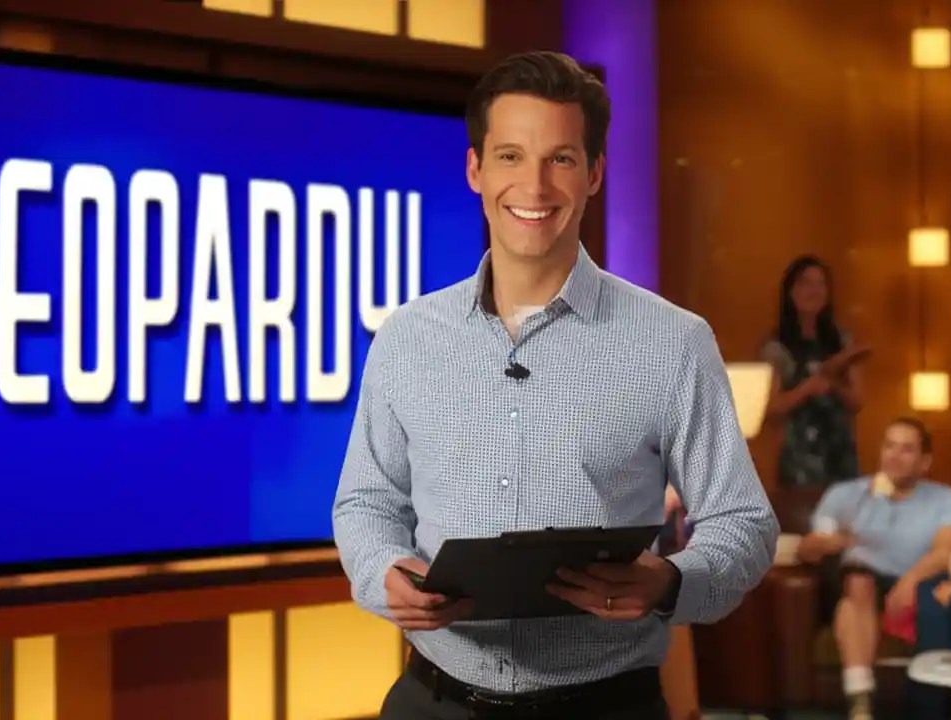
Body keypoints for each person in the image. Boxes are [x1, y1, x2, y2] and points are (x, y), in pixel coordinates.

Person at [332, 50, 778, 719]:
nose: (534, 187)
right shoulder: (407, 336)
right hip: (433, 700)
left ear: (594, 173)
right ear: (475, 170)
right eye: (510, 156)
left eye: (560, 159)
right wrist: (383, 574)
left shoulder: (673, 341)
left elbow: (743, 523)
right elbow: (366, 503)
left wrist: (669, 583)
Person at [797, 417, 951, 720]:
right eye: (889, 445)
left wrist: (911, 581)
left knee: (873, 585)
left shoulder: (945, 499)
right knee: (859, 579)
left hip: (915, 579)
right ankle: (860, 702)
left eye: (906, 449)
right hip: (856, 579)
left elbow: (947, 549)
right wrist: (829, 542)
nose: (894, 455)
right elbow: (807, 549)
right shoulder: (846, 495)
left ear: (924, 462)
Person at [761, 255, 867, 487]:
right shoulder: (776, 348)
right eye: (805, 283)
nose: (814, 291)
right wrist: (808, 388)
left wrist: (834, 382)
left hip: (841, 456)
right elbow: (771, 410)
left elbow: (857, 402)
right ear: (790, 292)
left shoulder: (843, 341)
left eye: (820, 284)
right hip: (799, 461)